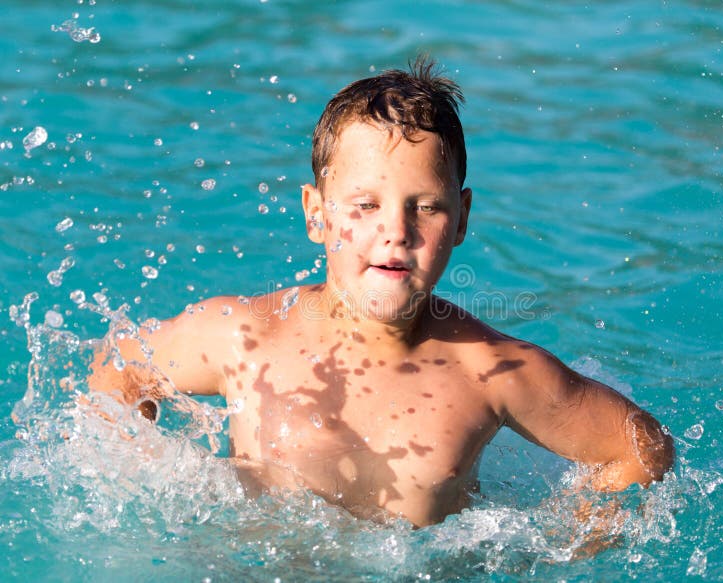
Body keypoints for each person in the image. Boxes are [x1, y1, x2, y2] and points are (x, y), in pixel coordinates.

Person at [89, 56, 674, 528]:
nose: (395, 230)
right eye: (365, 206)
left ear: (462, 218)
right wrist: (146, 477)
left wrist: (568, 546)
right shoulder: (244, 339)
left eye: (425, 207)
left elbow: (642, 448)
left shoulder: (491, 373)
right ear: (316, 214)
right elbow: (119, 368)